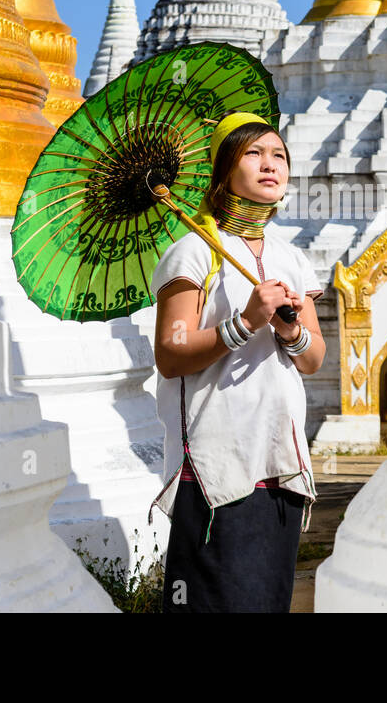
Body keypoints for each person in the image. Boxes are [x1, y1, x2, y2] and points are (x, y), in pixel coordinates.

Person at [147, 111, 326, 613]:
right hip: (214, 464)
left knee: (268, 602)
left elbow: (313, 358)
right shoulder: (193, 254)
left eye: (280, 155)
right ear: (225, 170)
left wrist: (290, 330)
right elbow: (170, 355)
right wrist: (245, 321)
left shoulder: (292, 259)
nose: (270, 164)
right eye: (253, 153)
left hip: (280, 461)